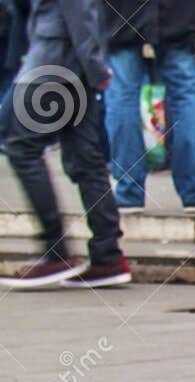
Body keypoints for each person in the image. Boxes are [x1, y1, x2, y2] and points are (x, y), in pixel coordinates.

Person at [1, 0, 129, 287]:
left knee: (20, 144)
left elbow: (81, 11)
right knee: (85, 157)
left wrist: (96, 68)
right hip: (67, 59)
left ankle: (55, 252)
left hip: (56, 61)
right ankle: (107, 256)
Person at [102, 0, 195, 212]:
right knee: (185, 94)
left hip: (121, 13)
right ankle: (194, 192)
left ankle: (128, 192)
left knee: (123, 95)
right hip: (177, 13)